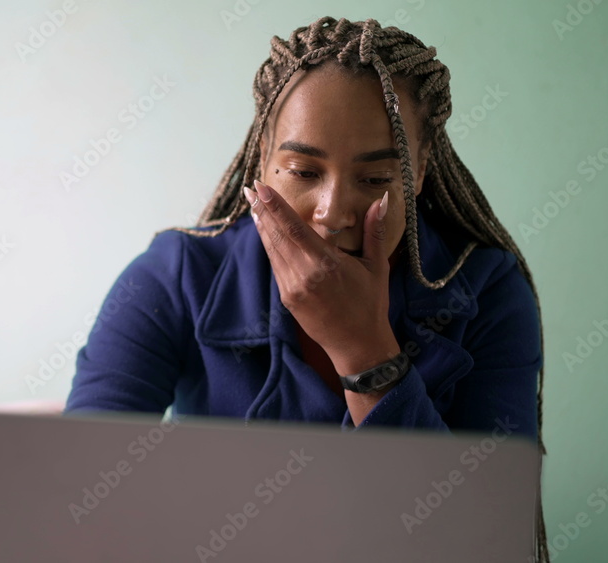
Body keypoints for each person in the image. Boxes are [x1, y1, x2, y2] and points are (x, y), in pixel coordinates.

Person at [64, 17, 548, 561]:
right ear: (263, 160)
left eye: (375, 179)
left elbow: (484, 538)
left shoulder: (489, 291)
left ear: (421, 170)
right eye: (301, 169)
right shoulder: (175, 276)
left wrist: (364, 352)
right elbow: (83, 496)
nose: (334, 210)